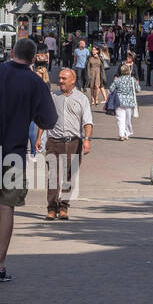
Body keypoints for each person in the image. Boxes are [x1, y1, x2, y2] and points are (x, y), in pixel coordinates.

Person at [0, 38, 57, 282]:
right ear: (34, 58)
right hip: (13, 152)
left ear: (12, 52)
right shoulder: (36, 83)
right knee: (7, 207)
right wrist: (29, 113)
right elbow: (49, 121)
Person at [36, 68, 93, 220]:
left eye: (63, 79)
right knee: (53, 175)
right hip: (54, 142)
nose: (60, 81)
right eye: (59, 78)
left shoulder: (82, 99)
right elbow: (45, 118)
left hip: (74, 142)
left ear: (72, 80)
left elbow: (87, 122)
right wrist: (39, 138)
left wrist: (87, 140)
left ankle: (64, 207)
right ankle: (51, 208)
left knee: (70, 175)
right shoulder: (52, 97)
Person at [107, 62, 140, 141]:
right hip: (129, 102)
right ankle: (126, 134)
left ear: (121, 71)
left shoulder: (117, 80)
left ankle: (122, 134)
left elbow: (111, 89)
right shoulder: (132, 80)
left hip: (119, 101)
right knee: (127, 119)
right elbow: (138, 89)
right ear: (129, 71)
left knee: (120, 119)